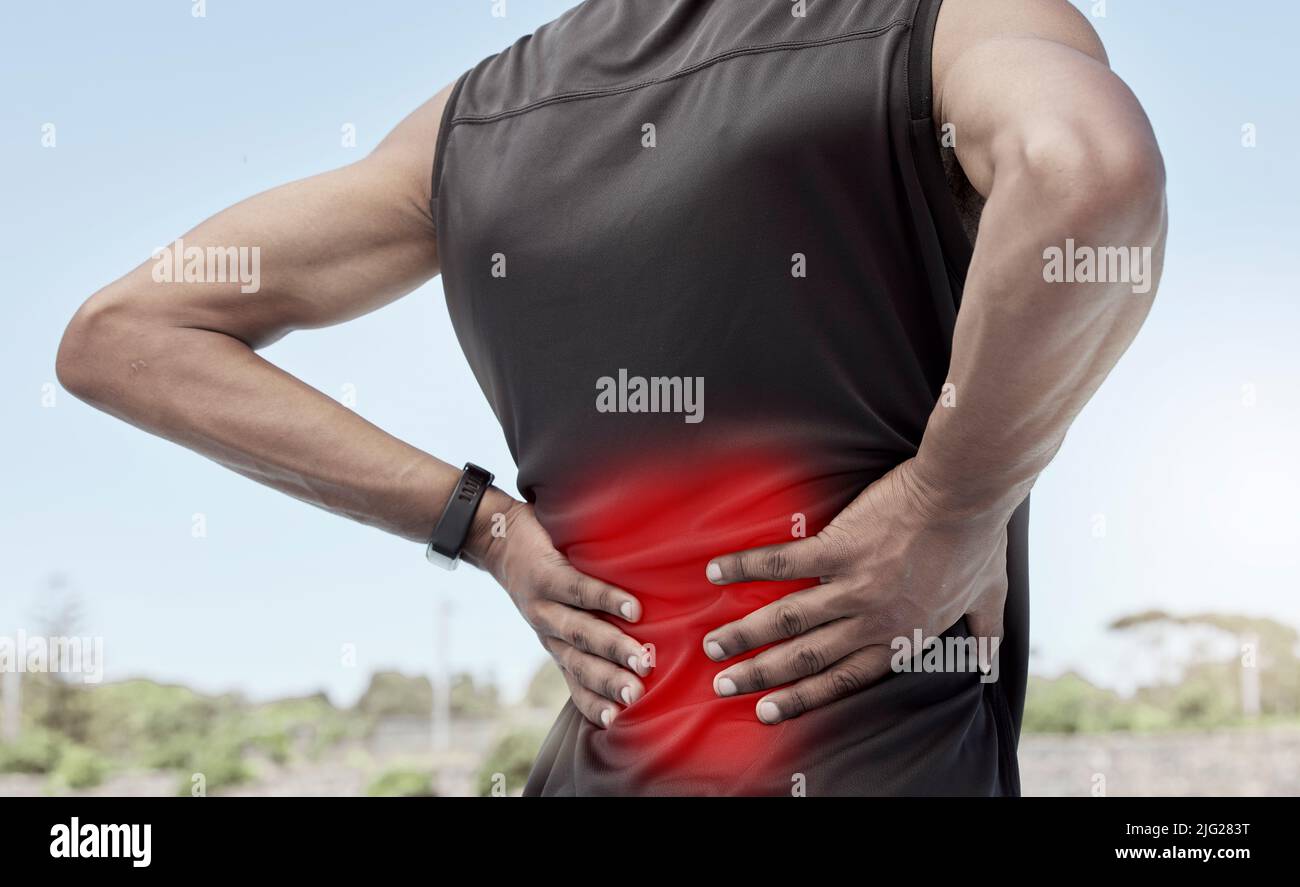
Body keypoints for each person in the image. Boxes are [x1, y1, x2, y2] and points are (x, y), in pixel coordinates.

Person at [56, 0, 1166, 796]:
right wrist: (952, 502)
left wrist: (482, 525)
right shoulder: (949, 27)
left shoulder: (474, 122)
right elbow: (1090, 171)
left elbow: (124, 333)